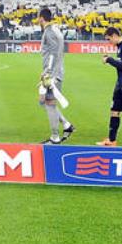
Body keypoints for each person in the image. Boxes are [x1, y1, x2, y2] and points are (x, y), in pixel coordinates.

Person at [37, 8, 74, 144]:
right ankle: (66, 125)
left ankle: (55, 137)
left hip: (53, 74)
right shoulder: (55, 29)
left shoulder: (49, 32)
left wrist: (47, 73)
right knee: (43, 101)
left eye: (38, 18)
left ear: (41, 18)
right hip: (54, 72)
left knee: (49, 104)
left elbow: (53, 53)